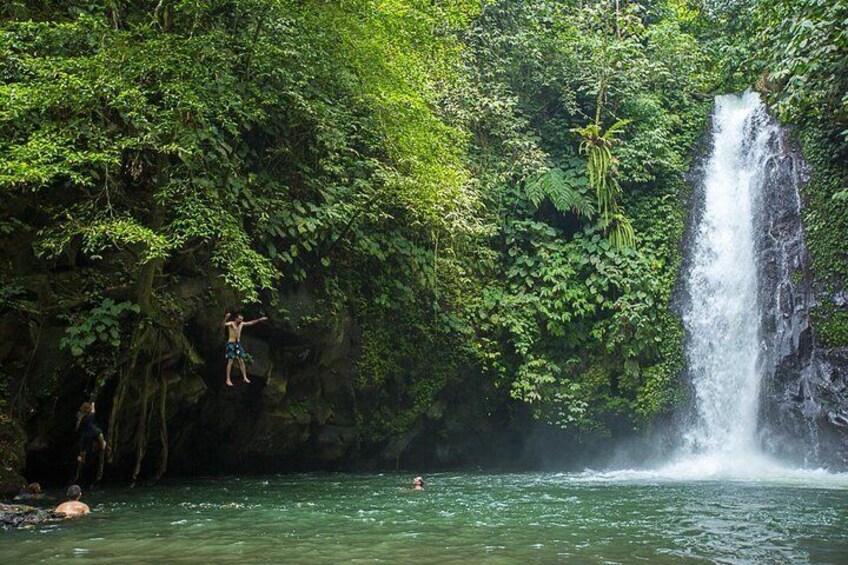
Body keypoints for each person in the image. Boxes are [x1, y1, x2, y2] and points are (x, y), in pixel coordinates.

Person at [223, 311, 268, 387]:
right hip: (231, 344)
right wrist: (226, 318)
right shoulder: (231, 323)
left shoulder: (241, 324)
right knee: (230, 361)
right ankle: (228, 379)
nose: (240, 321)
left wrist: (259, 319)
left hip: (238, 344)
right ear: (236, 318)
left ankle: (244, 377)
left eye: (241, 319)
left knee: (241, 360)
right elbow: (222, 325)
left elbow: (250, 323)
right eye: (239, 319)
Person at [74, 402, 106, 483]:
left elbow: (77, 428)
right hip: (94, 433)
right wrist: (93, 404)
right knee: (101, 438)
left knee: (82, 454)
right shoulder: (90, 416)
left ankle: (80, 462)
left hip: (85, 436)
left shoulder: (81, 418)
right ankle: (102, 446)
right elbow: (93, 410)